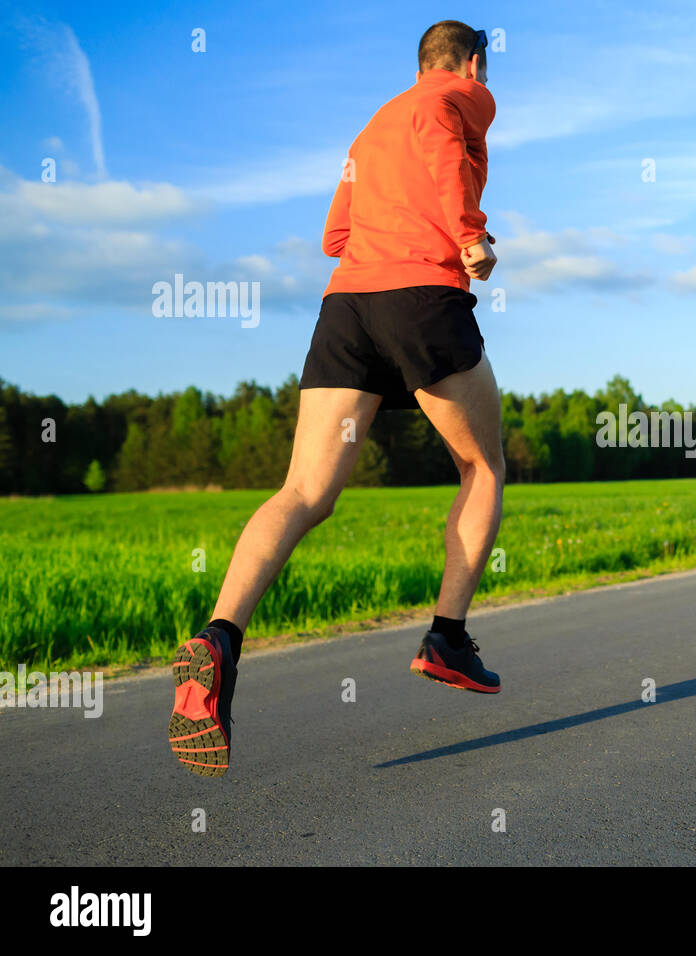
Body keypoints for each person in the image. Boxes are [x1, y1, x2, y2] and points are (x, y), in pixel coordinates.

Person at [168, 20, 504, 777]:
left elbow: (335, 233)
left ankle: (218, 639)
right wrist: (471, 235)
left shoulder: (370, 126)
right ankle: (447, 636)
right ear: (471, 61)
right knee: (482, 468)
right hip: (420, 292)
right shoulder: (460, 96)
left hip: (347, 304)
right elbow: (449, 154)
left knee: (305, 490)